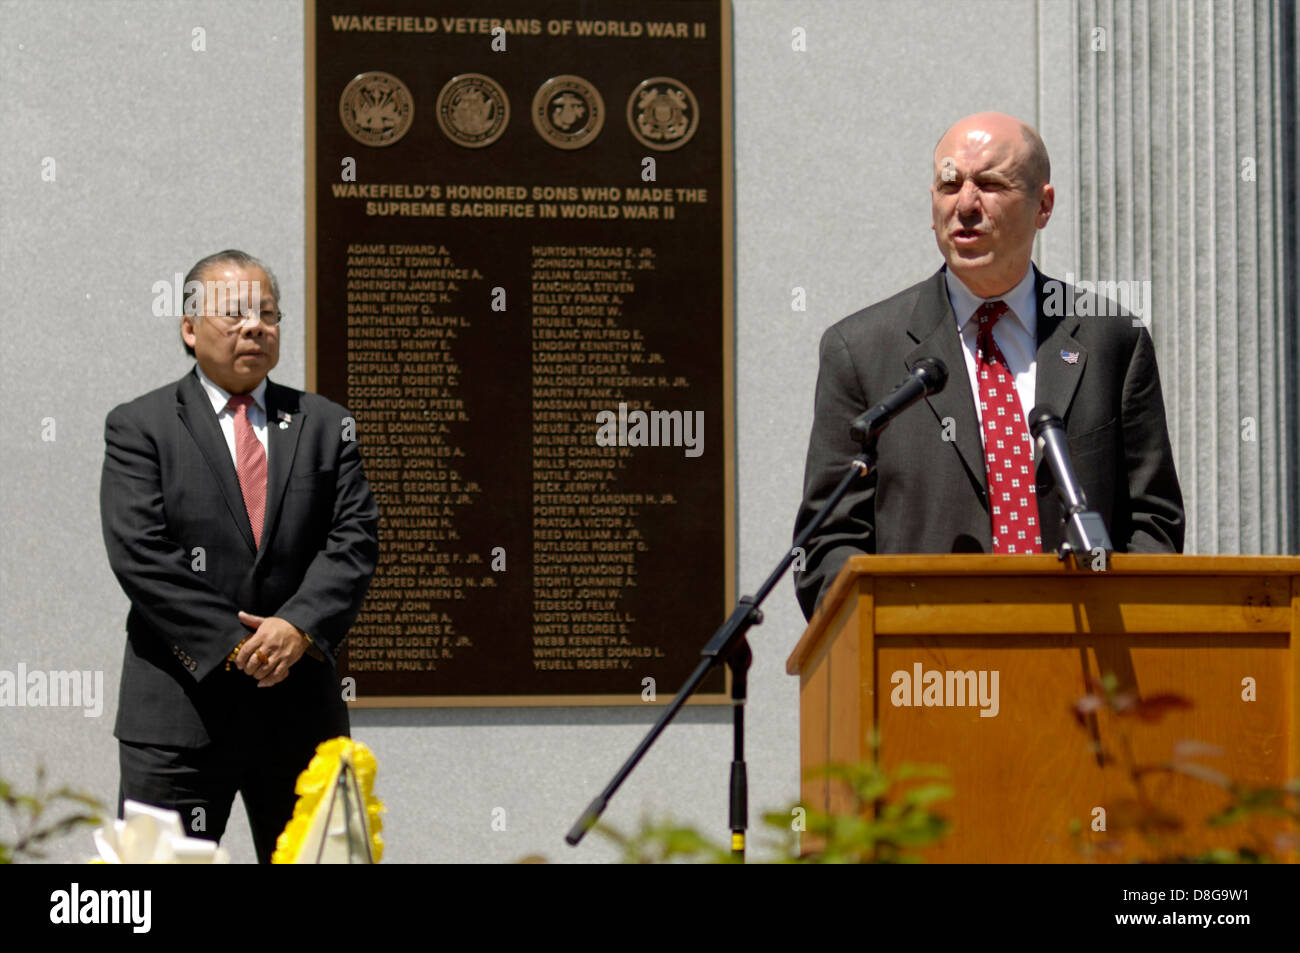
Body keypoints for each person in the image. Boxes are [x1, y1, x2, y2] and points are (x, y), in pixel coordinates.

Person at [793, 112, 1184, 621]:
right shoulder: (861, 350)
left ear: (1043, 205)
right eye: (949, 185)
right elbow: (827, 542)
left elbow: (1153, 523)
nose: (965, 204)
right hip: (924, 657)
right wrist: (887, 631)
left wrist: (1121, 626)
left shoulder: (1111, 340)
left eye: (991, 184)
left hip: (1083, 652)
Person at [100, 249, 379, 862]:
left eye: (268, 314)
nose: (255, 327)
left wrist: (297, 627)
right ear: (189, 328)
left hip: (301, 713)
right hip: (179, 717)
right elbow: (141, 553)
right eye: (236, 313)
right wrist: (236, 644)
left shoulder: (326, 425)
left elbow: (354, 539)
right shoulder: (140, 426)